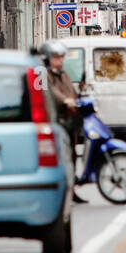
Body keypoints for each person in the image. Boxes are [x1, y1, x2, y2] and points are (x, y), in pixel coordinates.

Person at [41, 40, 86, 204]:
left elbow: (71, 92)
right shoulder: (44, 75)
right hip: (56, 120)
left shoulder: (64, 74)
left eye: (61, 57)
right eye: (56, 58)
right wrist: (66, 101)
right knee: (62, 155)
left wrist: (80, 96)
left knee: (72, 154)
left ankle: (71, 188)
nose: (60, 61)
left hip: (69, 119)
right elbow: (52, 93)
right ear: (46, 59)